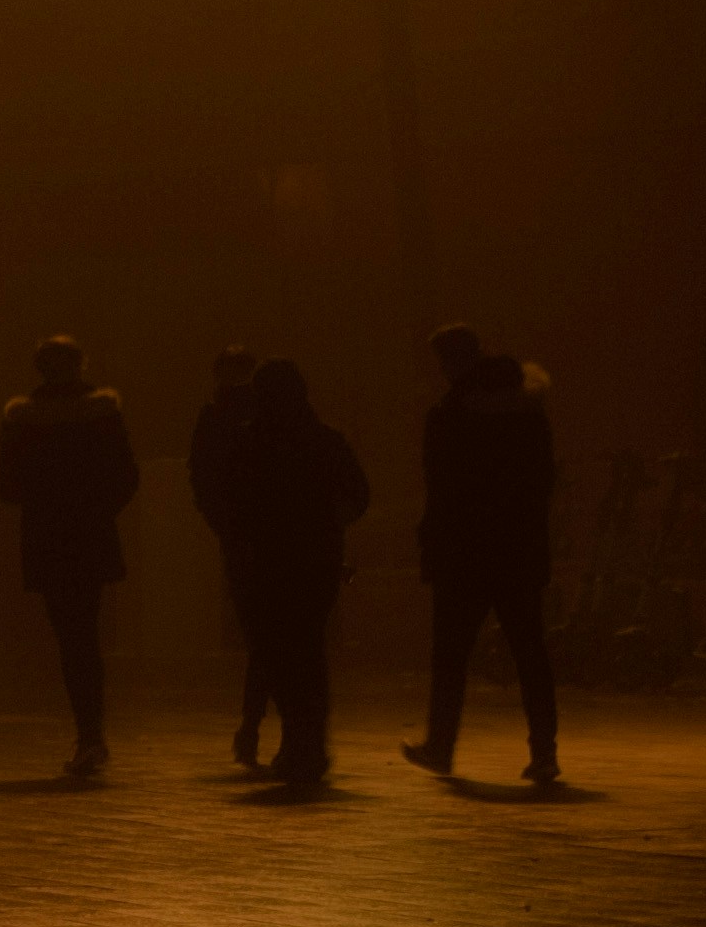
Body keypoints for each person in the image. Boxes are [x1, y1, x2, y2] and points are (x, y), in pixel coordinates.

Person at [403, 324, 561, 784]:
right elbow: (542, 482)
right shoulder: (528, 412)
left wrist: (432, 545)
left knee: (451, 656)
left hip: (463, 553)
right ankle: (544, 752)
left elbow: (441, 489)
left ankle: (441, 745)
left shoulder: (449, 414)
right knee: (530, 653)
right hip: (518, 550)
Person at [219, 360, 368, 780]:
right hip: (314, 560)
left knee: (275, 653)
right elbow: (358, 493)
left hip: (265, 563)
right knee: (308, 651)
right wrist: (329, 524)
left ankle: (297, 739)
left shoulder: (249, 442)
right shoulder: (324, 440)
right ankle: (310, 741)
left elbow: (231, 506)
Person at [0, 335, 138, 776]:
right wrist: (95, 508)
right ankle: (92, 733)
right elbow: (125, 476)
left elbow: (7, 484)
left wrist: (45, 499)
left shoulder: (23, 419)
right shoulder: (101, 415)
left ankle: (90, 734)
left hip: (48, 535)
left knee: (70, 636)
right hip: (87, 533)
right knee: (83, 634)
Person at [186, 347, 259, 542]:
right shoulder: (214, 413)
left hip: (249, 509)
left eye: (239, 368)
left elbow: (200, 465)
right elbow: (201, 464)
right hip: (238, 510)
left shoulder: (214, 413)